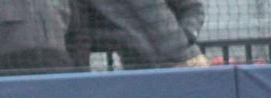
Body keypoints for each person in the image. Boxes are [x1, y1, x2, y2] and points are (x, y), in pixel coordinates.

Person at [0, 0, 89, 76]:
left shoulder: (65, 2)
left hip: (60, 85)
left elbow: (79, 39)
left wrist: (75, 72)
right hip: (7, 92)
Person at [81, 0, 210, 68]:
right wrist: (121, 40)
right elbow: (83, 30)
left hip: (189, 62)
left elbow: (193, 8)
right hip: (140, 72)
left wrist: (185, 37)